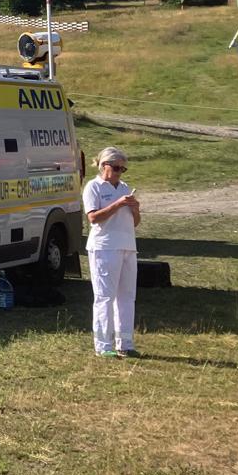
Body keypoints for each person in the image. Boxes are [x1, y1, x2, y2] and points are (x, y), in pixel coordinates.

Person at [83, 146, 140, 358]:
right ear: (103, 165)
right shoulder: (94, 187)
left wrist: (134, 208)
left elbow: (135, 222)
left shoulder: (125, 188)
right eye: (116, 168)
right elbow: (93, 218)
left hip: (127, 245)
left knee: (127, 296)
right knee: (105, 297)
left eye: (122, 169)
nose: (119, 173)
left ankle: (125, 343)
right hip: (105, 247)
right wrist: (117, 204)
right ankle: (103, 345)